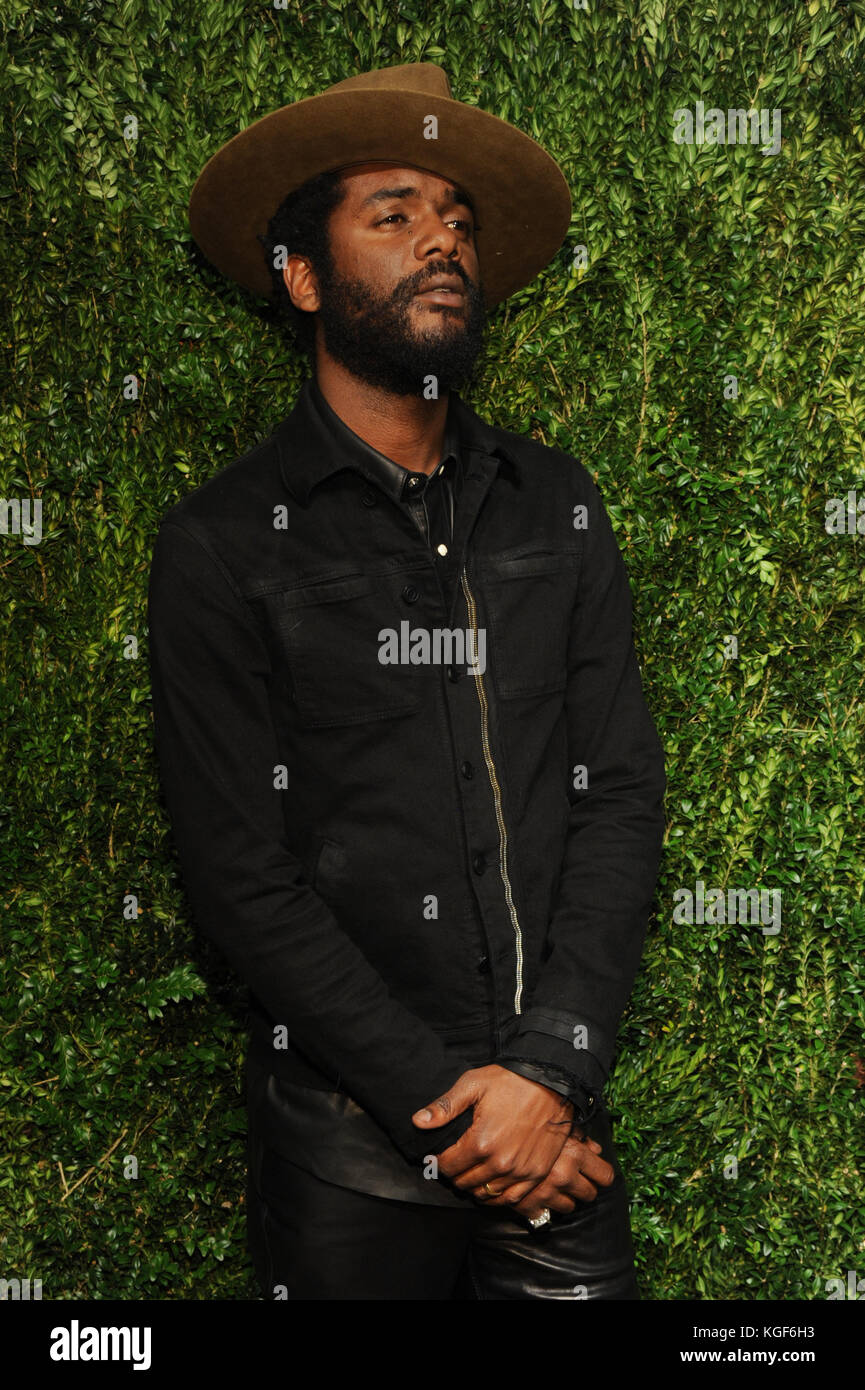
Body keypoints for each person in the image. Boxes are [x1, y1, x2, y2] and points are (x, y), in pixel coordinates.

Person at [147, 62, 667, 1300]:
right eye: (391, 212)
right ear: (305, 278)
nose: (440, 234)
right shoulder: (224, 544)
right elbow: (240, 874)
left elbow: (618, 792)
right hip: (350, 1163)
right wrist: (450, 1110)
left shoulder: (559, 502)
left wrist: (543, 1077)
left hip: (555, 1135)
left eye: (455, 218)